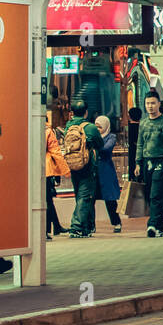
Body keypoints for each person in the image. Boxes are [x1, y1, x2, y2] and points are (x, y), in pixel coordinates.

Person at [133, 90, 163, 237]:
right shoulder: (144, 123)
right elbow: (140, 144)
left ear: (159, 104)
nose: (150, 106)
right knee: (150, 194)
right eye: (147, 103)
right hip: (147, 162)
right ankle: (162, 228)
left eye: (153, 103)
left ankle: (152, 225)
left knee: (155, 194)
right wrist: (138, 163)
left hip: (162, 161)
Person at [64, 99, 103, 237]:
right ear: (86, 112)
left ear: (72, 113)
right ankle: (77, 227)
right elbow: (100, 144)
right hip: (88, 166)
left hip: (73, 166)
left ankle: (86, 227)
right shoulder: (91, 127)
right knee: (85, 197)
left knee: (79, 195)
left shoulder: (68, 126)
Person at [94, 115, 123, 232]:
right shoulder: (94, 137)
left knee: (110, 199)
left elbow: (106, 149)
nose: (97, 130)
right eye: (95, 127)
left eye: (99, 127)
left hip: (106, 171)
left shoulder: (111, 137)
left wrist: (94, 143)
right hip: (95, 170)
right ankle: (91, 225)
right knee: (91, 199)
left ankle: (116, 222)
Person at [45, 117, 69, 237]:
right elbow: (56, 152)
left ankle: (55, 227)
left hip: (32, 170)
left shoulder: (27, 129)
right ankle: (48, 230)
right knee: (47, 201)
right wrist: (65, 171)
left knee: (47, 200)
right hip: (46, 170)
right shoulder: (48, 131)